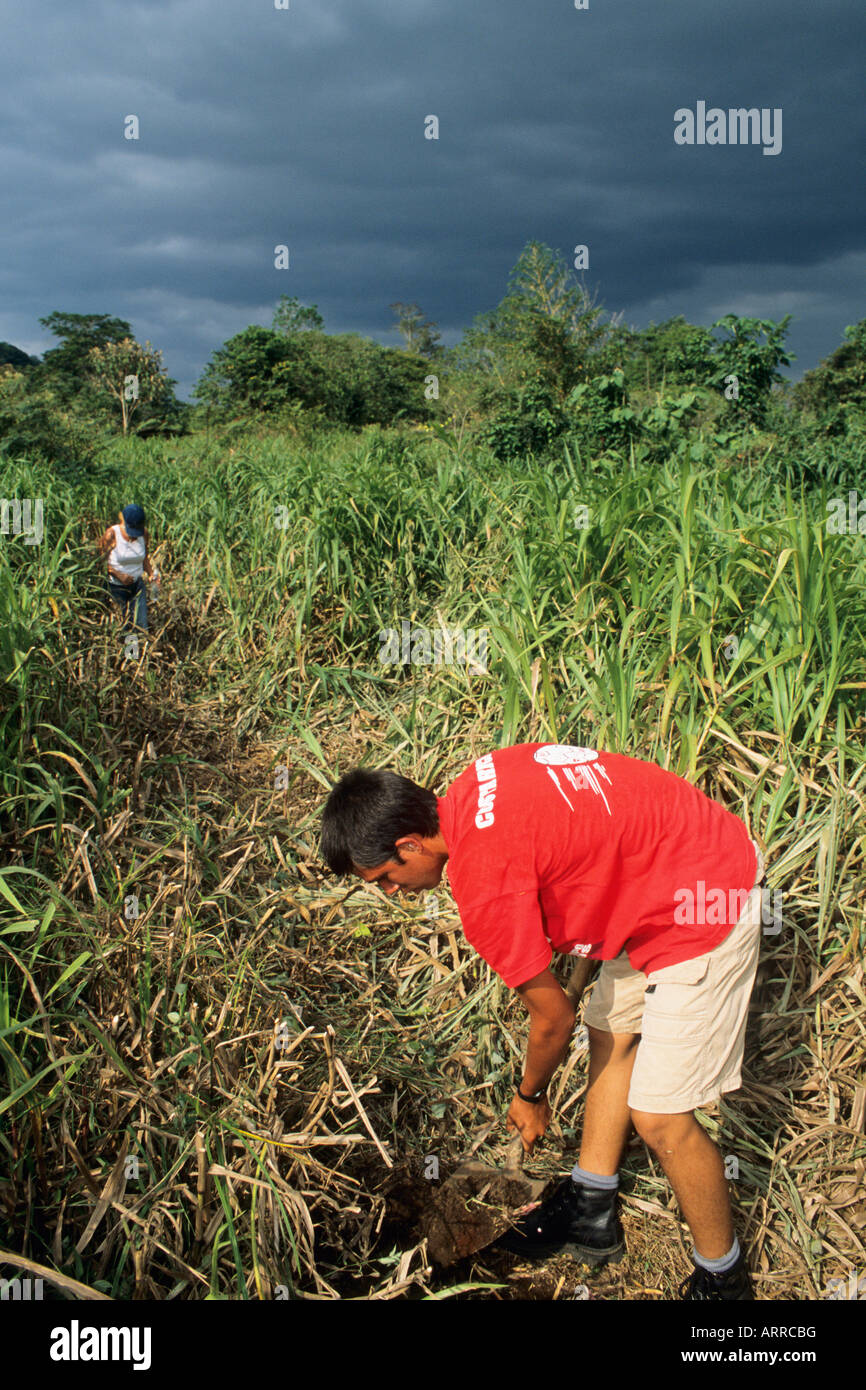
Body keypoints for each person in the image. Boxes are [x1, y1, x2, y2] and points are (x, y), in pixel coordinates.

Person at [319, 742, 768, 1301]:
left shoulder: (484, 885)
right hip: (660, 871)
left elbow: (553, 1019)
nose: (391, 893)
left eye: (384, 877)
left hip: (708, 896)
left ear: (409, 844)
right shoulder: (480, 778)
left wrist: (530, 1095)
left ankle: (723, 1277)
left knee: (659, 1116)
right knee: (611, 1030)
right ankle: (591, 1207)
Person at [98, 504, 157, 635]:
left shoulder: (144, 534)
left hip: (137, 586)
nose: (134, 536)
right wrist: (119, 575)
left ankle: (136, 654)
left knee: (140, 625)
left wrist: (152, 574)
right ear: (123, 521)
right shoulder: (112, 534)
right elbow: (100, 563)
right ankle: (125, 654)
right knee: (122, 627)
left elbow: (144, 559)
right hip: (116, 588)